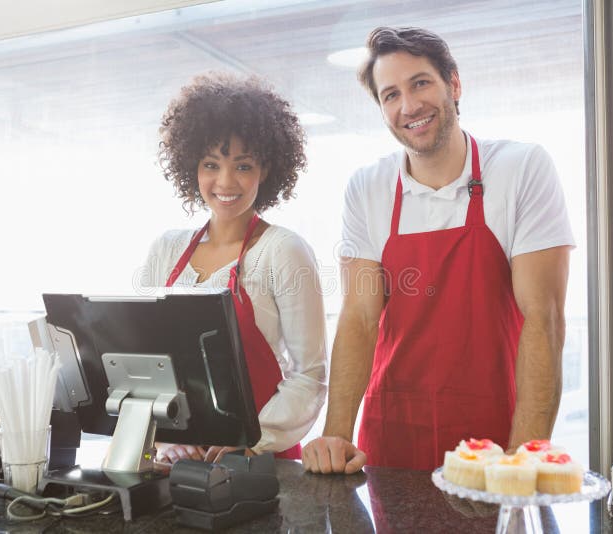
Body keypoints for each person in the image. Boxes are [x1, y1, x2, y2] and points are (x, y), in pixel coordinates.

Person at [303, 27, 574, 473]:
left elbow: (543, 318)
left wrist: (522, 458)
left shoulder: (521, 168)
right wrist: (335, 436)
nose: (408, 106)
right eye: (390, 95)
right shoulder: (367, 188)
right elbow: (360, 317)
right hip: (390, 438)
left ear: (454, 83)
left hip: (494, 441)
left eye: (420, 83)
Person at [140, 72, 327, 464]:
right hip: (180, 461)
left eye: (242, 166)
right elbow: (142, 361)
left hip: (258, 462)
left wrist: (251, 440)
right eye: (211, 164)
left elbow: (309, 375)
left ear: (267, 168)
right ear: (191, 165)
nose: (225, 181)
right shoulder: (166, 250)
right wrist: (163, 441)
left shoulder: (283, 251)